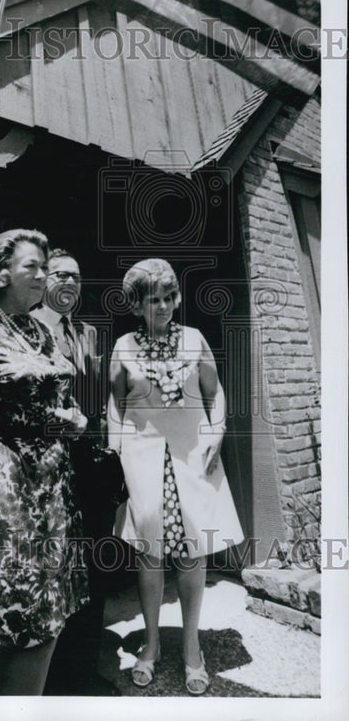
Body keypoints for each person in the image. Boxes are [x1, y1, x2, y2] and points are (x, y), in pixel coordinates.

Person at [0, 230, 89, 696]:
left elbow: (55, 396)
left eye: (47, 267)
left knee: (49, 616)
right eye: (34, 267)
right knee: (22, 618)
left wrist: (71, 419)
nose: (44, 276)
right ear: (1, 273)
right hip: (11, 490)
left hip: (53, 488)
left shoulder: (41, 331)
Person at [107, 259, 244, 695]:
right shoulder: (125, 346)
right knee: (149, 553)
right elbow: (115, 406)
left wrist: (216, 433)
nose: (164, 306)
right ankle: (150, 645)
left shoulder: (195, 339)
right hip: (143, 459)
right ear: (135, 304)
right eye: (154, 300)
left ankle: (191, 649)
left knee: (191, 551)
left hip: (191, 456)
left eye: (170, 297)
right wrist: (116, 456)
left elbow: (214, 391)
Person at [34, 248, 120, 696]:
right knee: (55, 572)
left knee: (93, 570)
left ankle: (84, 675)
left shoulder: (90, 334)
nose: (70, 283)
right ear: (43, 279)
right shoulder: (25, 330)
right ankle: (50, 683)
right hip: (47, 472)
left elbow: (105, 397)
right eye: (61, 274)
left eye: (77, 276)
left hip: (92, 472)